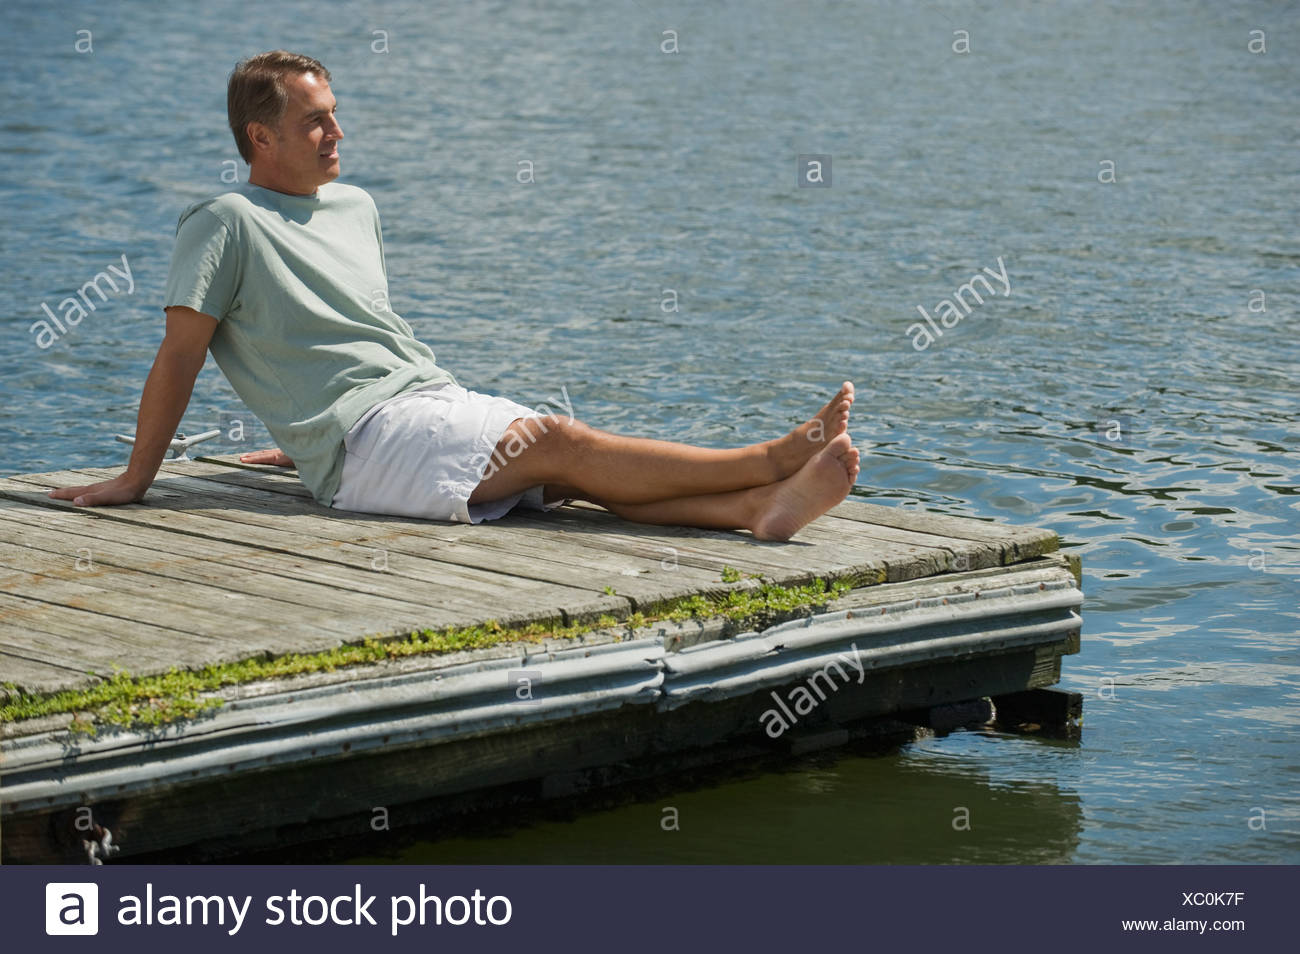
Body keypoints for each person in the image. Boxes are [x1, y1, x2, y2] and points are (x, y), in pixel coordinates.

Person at [50, 51, 860, 541]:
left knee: (574, 479)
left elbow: (348, 340)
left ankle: (758, 507)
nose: (337, 135)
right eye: (315, 124)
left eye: (337, 117)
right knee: (560, 442)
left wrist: (296, 437)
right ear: (260, 139)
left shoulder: (355, 205)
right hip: (368, 444)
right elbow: (181, 355)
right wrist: (136, 478)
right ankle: (765, 459)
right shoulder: (224, 220)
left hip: (418, 403)